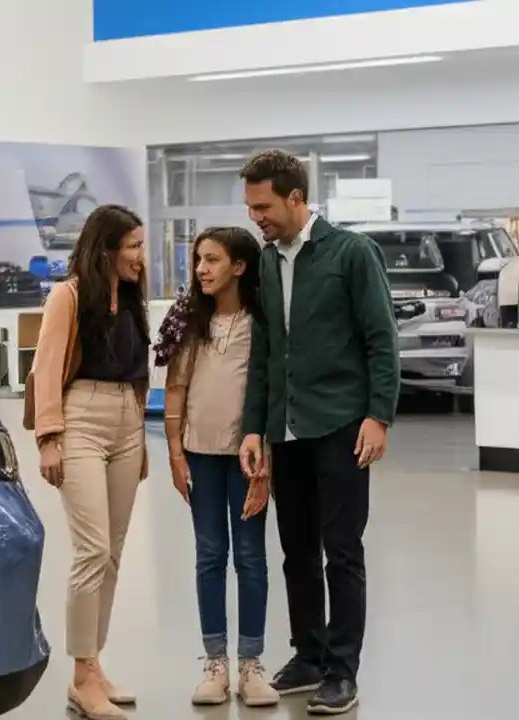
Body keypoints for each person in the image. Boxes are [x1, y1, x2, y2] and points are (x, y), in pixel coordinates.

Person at [236, 150, 400, 715]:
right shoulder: (264, 262)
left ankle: (342, 670)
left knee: (342, 551)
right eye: (251, 207)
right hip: (286, 429)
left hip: (342, 426)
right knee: (296, 551)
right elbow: (264, 352)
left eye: (263, 206)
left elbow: (382, 339)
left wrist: (379, 416)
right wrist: (255, 427)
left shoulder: (351, 254)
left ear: (296, 198)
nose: (256, 216)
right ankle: (308, 654)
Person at [32, 204, 150, 720]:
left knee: (114, 551)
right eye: (134, 247)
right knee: (92, 549)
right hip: (81, 414)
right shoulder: (69, 295)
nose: (141, 257)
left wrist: (140, 436)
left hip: (127, 417)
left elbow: (138, 367)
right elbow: (47, 363)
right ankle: (80, 677)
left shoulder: (131, 297)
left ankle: (94, 664)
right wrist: (48, 438)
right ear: (106, 249)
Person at [155, 227, 280, 708]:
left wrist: (266, 459)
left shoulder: (262, 321)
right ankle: (215, 663)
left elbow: (269, 392)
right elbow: (176, 389)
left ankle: (251, 663)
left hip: (250, 458)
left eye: (212, 260)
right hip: (200, 455)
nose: (202, 269)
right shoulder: (189, 319)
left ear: (240, 267)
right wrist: (174, 450)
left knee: (250, 557)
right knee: (209, 556)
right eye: (198, 261)